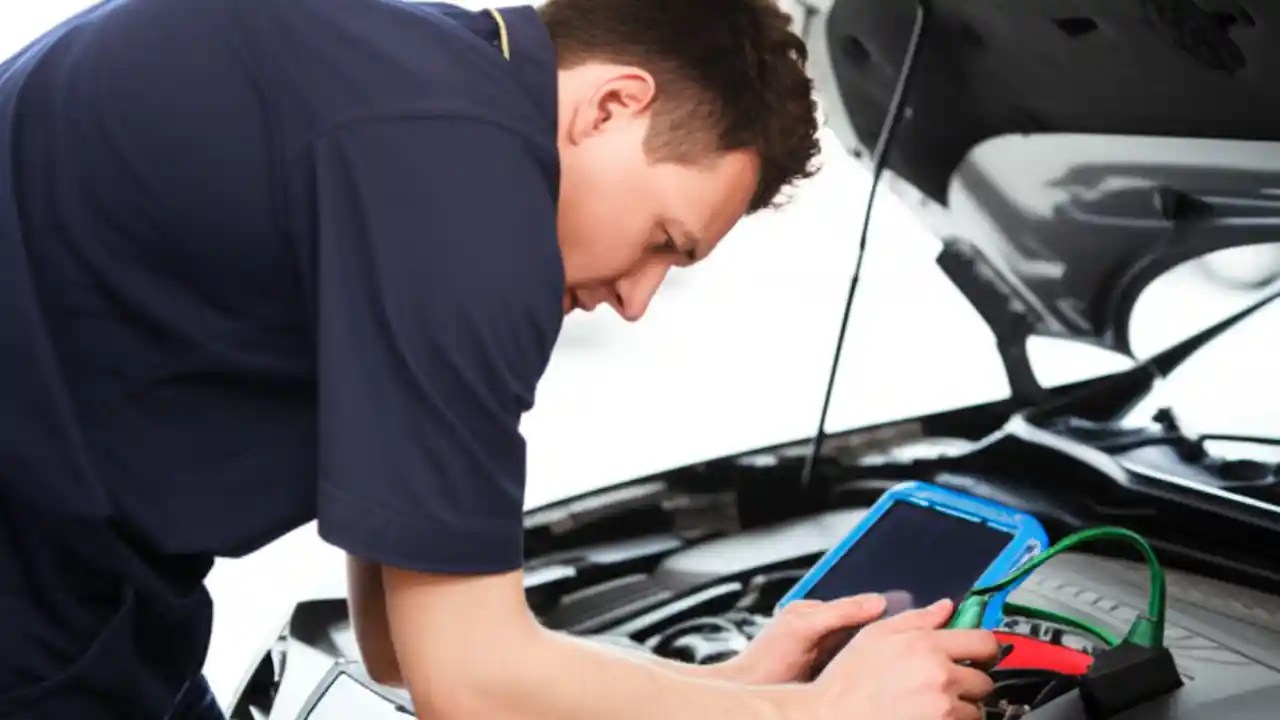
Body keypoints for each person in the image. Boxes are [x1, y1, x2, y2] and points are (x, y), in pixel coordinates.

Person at [0, 0, 999, 717]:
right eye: (664, 239)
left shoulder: (402, 88)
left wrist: (727, 689)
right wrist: (818, 715)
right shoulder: (465, 190)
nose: (637, 300)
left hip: (72, 597)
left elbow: (400, 644)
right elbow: (464, 683)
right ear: (612, 105)